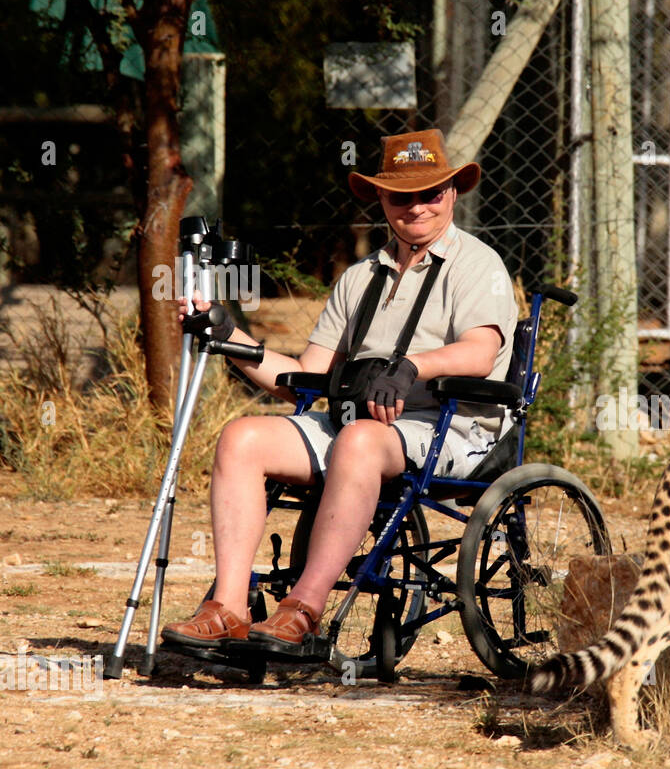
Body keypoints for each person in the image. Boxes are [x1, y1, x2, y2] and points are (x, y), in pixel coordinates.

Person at [163, 129, 516, 652]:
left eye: (430, 193)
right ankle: (228, 608)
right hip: (366, 426)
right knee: (242, 438)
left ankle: (301, 610)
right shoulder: (359, 278)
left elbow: (480, 352)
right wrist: (227, 335)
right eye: (402, 195)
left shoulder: (476, 264)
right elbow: (304, 377)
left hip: (455, 429)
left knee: (358, 440)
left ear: (452, 193)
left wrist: (409, 368)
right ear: (381, 198)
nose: (416, 206)